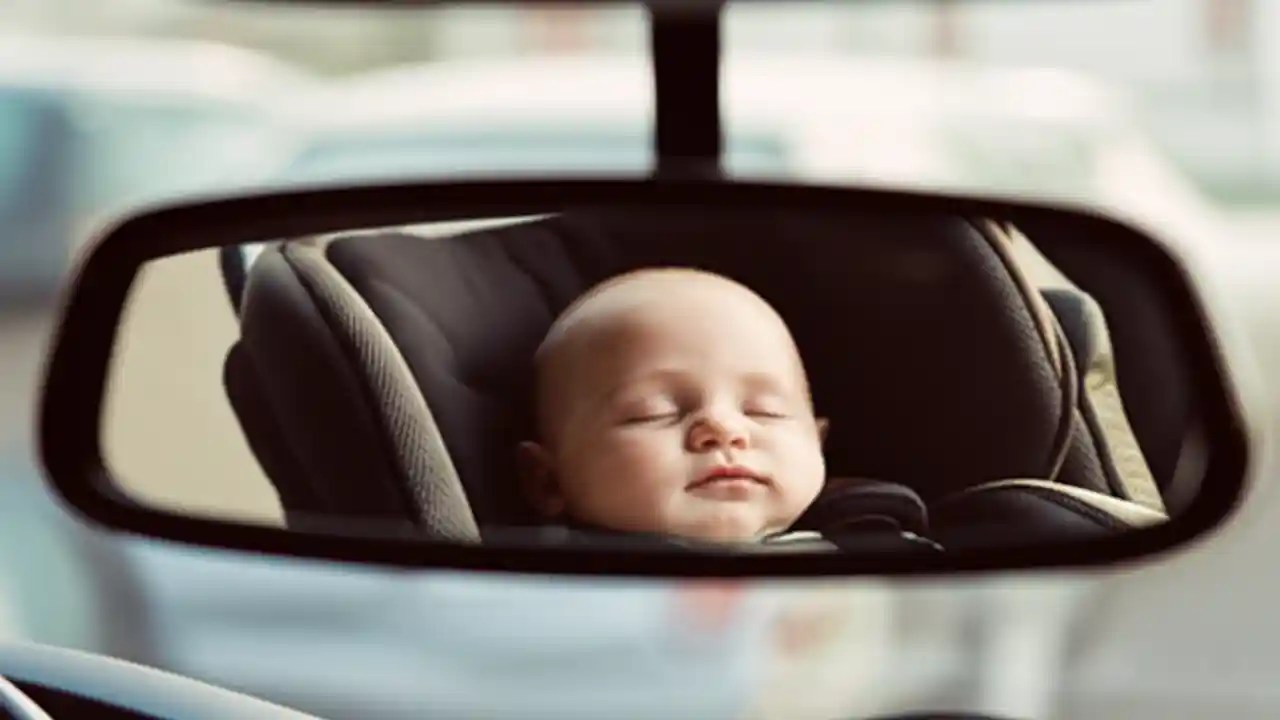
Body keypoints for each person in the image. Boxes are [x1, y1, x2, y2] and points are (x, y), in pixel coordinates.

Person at [516, 267, 831, 547]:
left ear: (817, 445)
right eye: (654, 412)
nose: (724, 428)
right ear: (548, 482)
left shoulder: (867, 523)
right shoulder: (549, 571)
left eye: (763, 410)